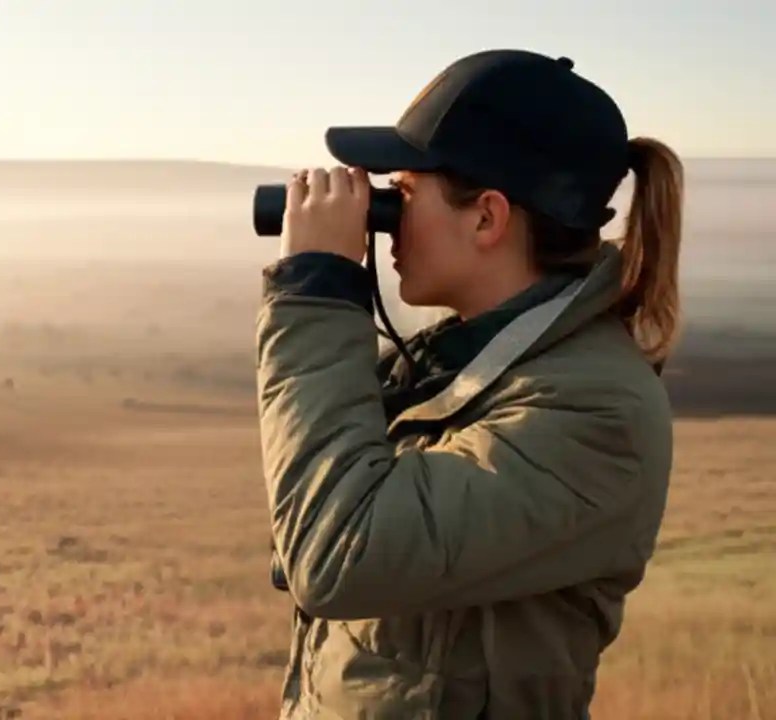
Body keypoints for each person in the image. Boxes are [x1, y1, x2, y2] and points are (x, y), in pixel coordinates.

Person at [256, 49, 683, 719]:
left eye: (404, 192)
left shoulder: (594, 411)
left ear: (487, 217)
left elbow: (335, 554)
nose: (384, 215)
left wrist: (318, 291)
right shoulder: (465, 364)